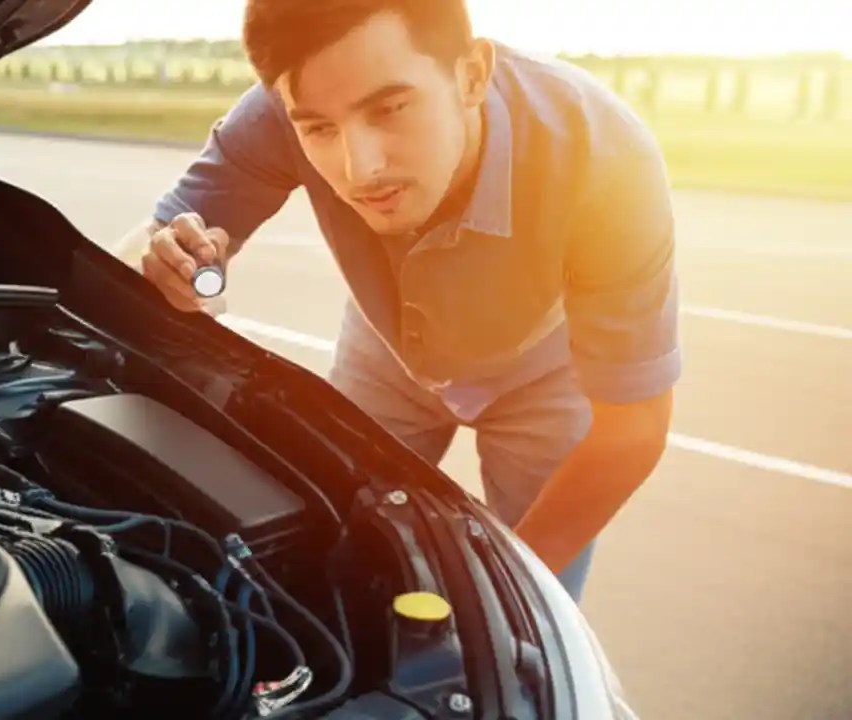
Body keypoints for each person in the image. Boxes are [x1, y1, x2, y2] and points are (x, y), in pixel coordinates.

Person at [114, 0, 679, 603]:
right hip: (388, 349)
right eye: (319, 130)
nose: (361, 169)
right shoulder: (285, 103)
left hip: (547, 371)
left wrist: (502, 592)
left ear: (471, 74)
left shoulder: (606, 160)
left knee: (529, 614)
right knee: (332, 549)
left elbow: (632, 430)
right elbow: (153, 246)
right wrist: (178, 276)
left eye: (390, 109)